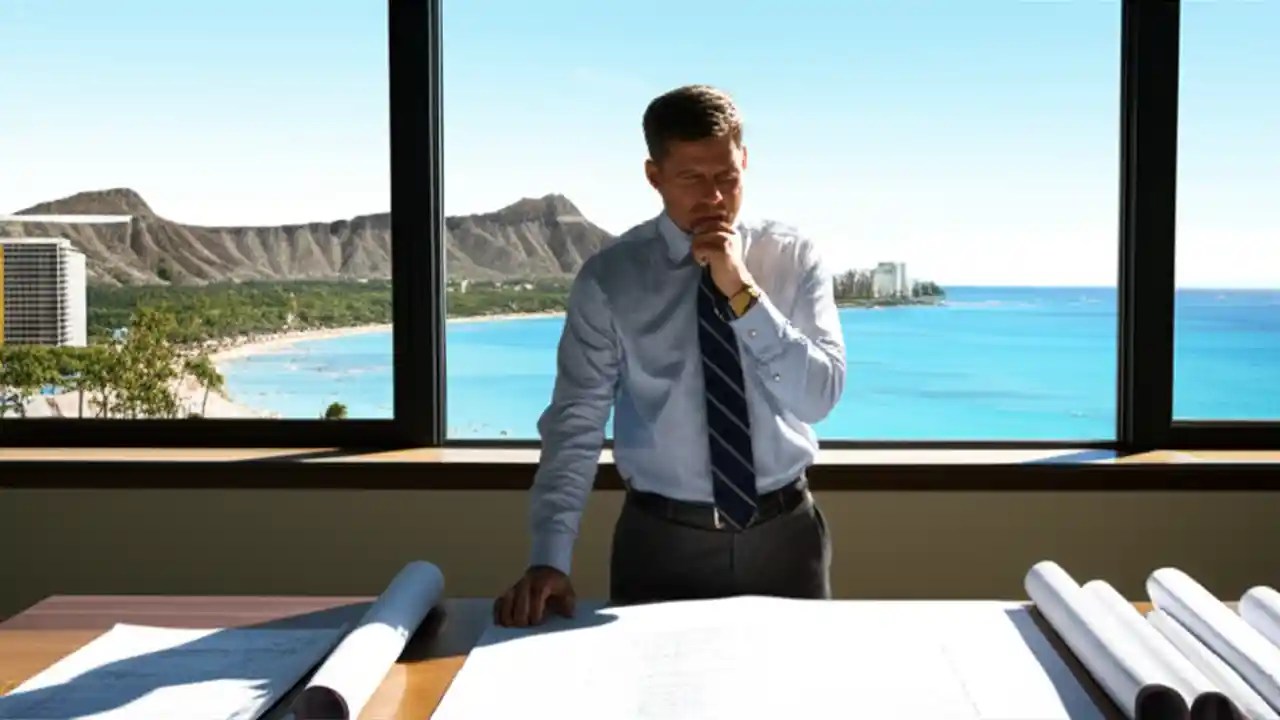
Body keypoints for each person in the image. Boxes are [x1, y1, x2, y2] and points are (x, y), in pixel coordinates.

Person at [493, 84, 846, 627]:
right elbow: (576, 422)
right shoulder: (611, 279)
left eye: (728, 176)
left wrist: (742, 291)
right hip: (660, 543)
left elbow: (819, 397)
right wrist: (549, 558)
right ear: (654, 176)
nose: (714, 197)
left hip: (786, 537)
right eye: (691, 179)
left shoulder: (792, 257)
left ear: (745, 160)